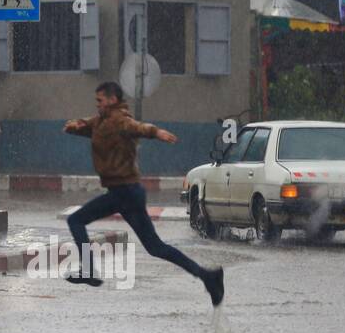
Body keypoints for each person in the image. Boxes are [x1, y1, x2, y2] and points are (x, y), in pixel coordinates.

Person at [62, 82, 224, 306]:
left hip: (125, 192)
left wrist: (156, 132)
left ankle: (88, 270)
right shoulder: (101, 121)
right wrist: (75, 126)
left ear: (111, 99)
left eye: (100, 100)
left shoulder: (120, 120)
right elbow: (90, 125)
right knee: (156, 247)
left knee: (76, 220)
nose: (97, 104)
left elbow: (138, 127)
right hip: (128, 193)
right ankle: (208, 277)